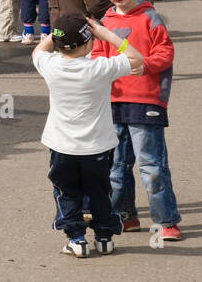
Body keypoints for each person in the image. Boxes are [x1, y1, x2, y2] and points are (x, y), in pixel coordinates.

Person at [32, 13, 143, 258]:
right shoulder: (100, 68)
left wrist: (57, 33)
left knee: (67, 192)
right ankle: (104, 238)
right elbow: (136, 58)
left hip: (61, 147)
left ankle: (76, 239)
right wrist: (106, 34)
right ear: (88, 41)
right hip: (98, 147)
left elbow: (38, 51)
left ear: (57, 43)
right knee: (100, 191)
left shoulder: (50, 65)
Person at [93, 0, 183, 241]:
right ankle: (125, 215)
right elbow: (97, 56)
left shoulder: (149, 17)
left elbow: (165, 53)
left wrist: (145, 65)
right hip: (113, 102)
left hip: (146, 101)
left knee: (151, 166)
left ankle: (166, 221)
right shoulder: (104, 22)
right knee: (116, 167)